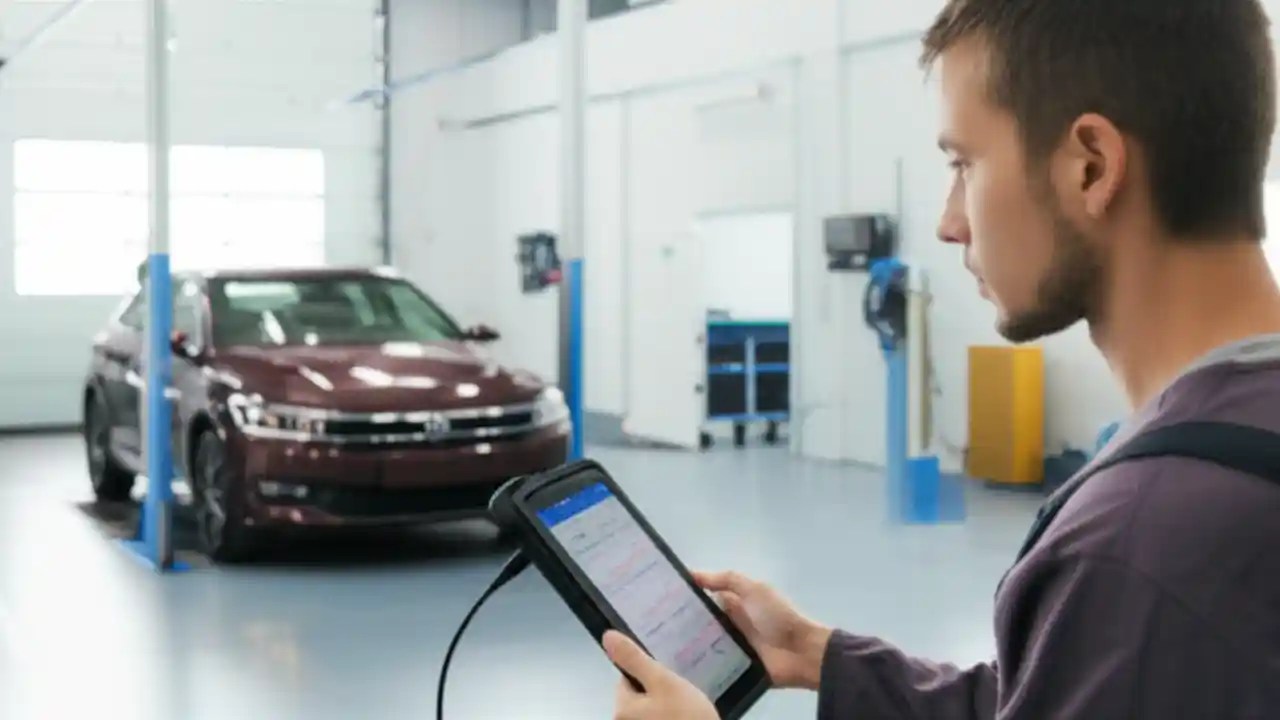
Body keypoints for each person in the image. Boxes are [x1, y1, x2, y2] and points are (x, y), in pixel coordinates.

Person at [603, 0, 1280, 717]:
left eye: (964, 164)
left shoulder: (1135, 549)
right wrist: (818, 654)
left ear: (1091, 167)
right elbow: (1059, 692)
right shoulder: (1231, 466)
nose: (949, 221)